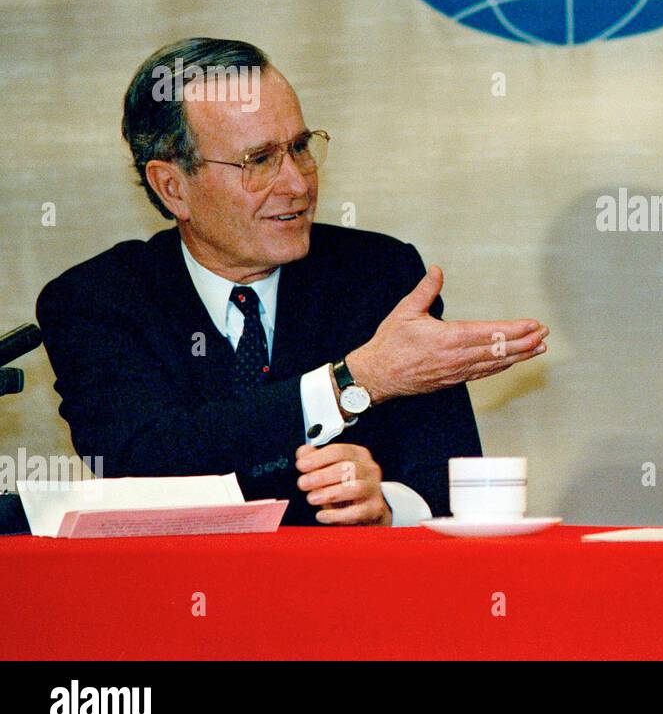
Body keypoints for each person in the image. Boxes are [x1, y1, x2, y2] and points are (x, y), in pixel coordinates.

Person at [37, 37, 549, 526]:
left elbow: (443, 480)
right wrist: (351, 382)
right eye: (258, 161)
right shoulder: (96, 302)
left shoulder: (378, 274)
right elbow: (146, 464)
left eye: (301, 148)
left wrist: (386, 504)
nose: (298, 184)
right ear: (173, 187)